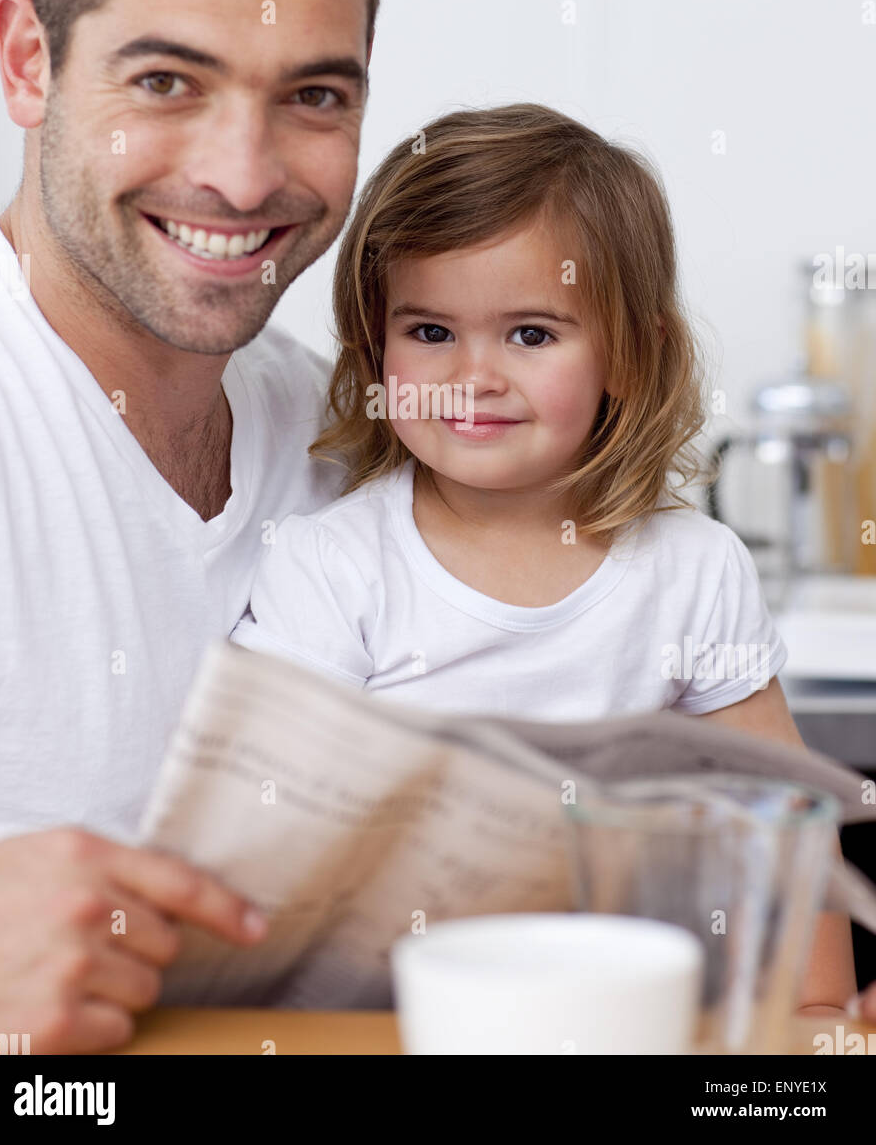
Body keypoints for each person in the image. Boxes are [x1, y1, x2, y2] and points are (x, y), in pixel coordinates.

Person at [229, 102, 858, 1015]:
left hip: (623, 1011)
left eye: (531, 334)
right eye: (431, 332)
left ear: (630, 358)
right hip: (395, 1014)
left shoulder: (694, 569)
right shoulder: (331, 565)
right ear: (376, 347)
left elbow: (783, 821)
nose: (473, 379)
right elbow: (264, 824)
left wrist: (817, 1020)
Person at [0, 0, 379, 1051]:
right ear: (31, 60)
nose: (243, 177)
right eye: (167, 79)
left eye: (313, 97)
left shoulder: (352, 441)